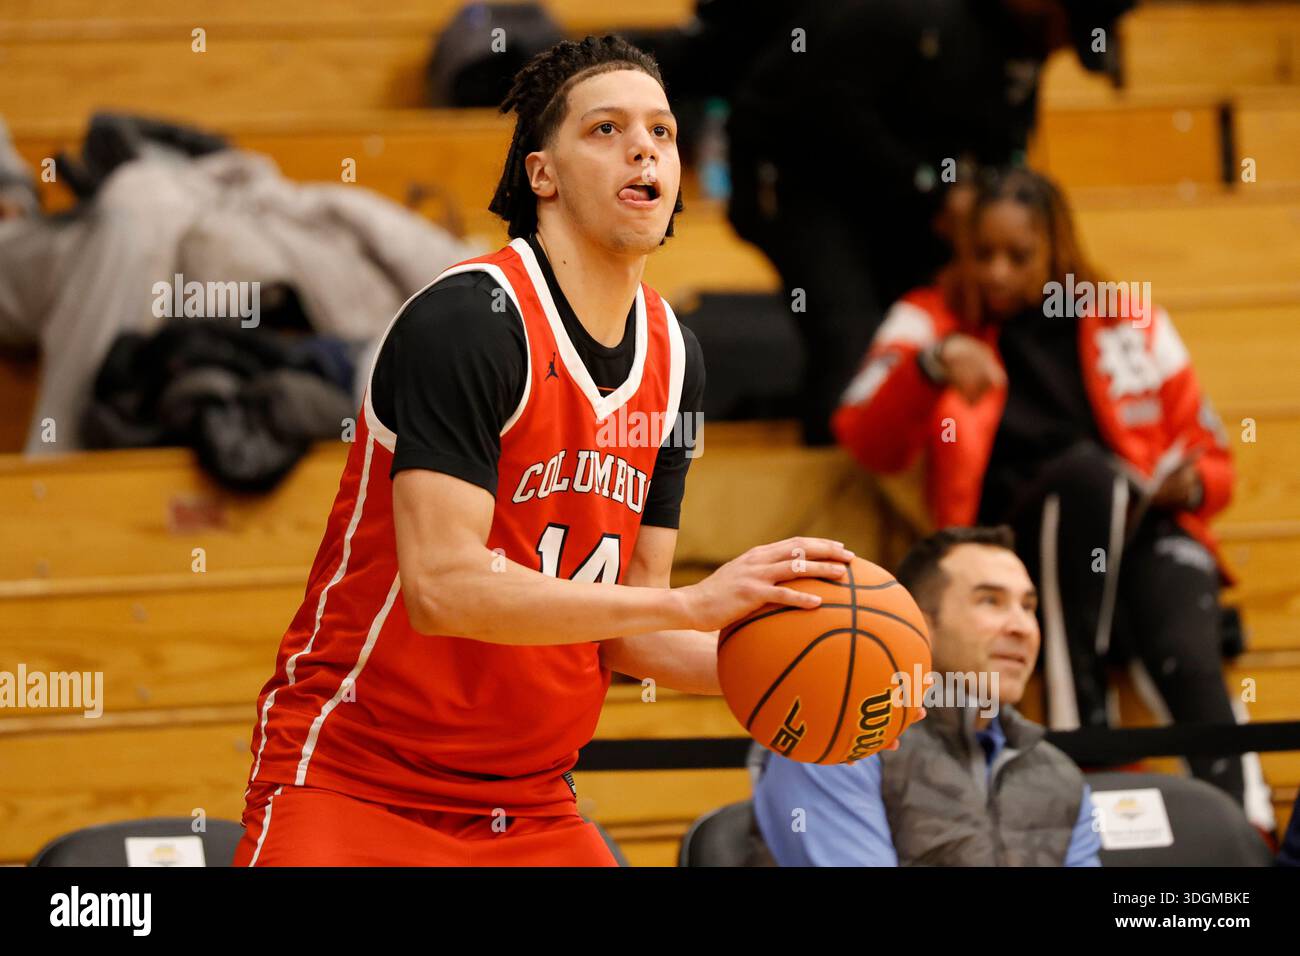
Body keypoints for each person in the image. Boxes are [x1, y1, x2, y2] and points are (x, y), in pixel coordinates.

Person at [233, 35, 858, 867]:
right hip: (355, 778)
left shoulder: (676, 360)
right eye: (606, 129)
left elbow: (629, 630)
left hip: (526, 801)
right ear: (542, 175)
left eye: (663, 132)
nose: (644, 147)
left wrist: (806, 669)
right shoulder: (469, 322)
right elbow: (444, 588)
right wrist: (690, 604)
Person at [832, 167, 1267, 821]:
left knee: (1188, 647)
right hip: (1008, 543)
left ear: (1057, 250)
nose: (998, 274)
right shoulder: (931, 318)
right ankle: (1082, 731)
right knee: (1086, 479)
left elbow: (1217, 462)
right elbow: (864, 436)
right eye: (984, 255)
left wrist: (1196, 481)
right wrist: (931, 366)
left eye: (1019, 256)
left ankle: (1249, 830)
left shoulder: (1130, 321)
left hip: (1140, 532)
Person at [725, 0, 1135, 444]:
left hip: (898, 185)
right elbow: (827, 110)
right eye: (1068, 30)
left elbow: (1001, 147)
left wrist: (972, 210)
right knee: (853, 339)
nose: (1061, 48)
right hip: (795, 172)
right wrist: (933, 192)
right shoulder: (911, 16)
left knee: (956, 310)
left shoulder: (1024, 43)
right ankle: (840, 479)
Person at [754, 525, 1102, 866]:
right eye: (990, 601)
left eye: (1027, 606)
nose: (1022, 627)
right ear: (917, 624)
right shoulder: (834, 742)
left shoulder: (1059, 774)